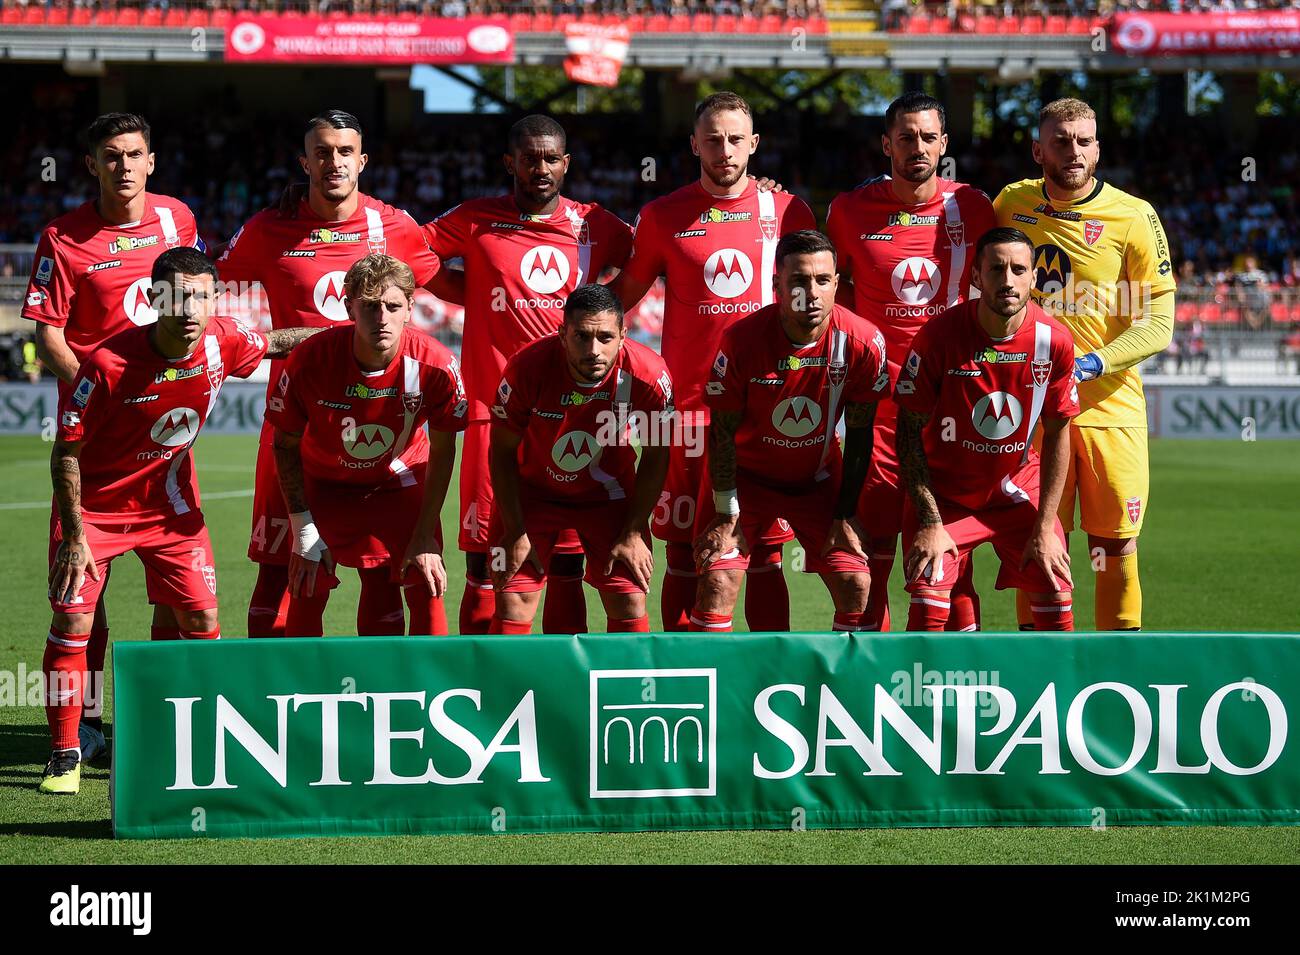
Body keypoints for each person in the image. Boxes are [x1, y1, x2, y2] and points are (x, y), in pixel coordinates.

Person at [40, 247, 316, 795]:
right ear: (151, 298)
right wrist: (74, 535)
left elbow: (280, 341)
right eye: (176, 296)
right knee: (74, 622)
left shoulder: (223, 340)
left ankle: (182, 734)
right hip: (93, 513)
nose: (190, 309)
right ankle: (65, 753)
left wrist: (343, 330)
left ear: (215, 300)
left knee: (200, 619)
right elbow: (65, 452)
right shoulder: (106, 365)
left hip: (170, 511)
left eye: (201, 297)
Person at [216, 109, 445, 638]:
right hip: (294, 429)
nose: (334, 161)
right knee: (280, 570)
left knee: (383, 572)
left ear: (362, 160)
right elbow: (204, 284)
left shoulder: (394, 227)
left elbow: (448, 284)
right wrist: (265, 344)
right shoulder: (268, 228)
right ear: (305, 161)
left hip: (386, 429)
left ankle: (381, 705)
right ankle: (268, 703)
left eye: (344, 152)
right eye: (322, 151)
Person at [22, 112, 204, 764]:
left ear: (150, 161)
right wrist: (102, 399)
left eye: (134, 154)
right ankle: (84, 726)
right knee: (83, 598)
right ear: (92, 164)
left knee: (175, 591)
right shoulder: (62, 237)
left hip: (160, 450)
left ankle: (164, 723)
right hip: (92, 446)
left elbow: (195, 302)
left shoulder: (177, 220)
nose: (124, 165)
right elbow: (48, 336)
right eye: (111, 156)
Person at [421, 114, 634, 635]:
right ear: (509, 162)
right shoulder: (475, 219)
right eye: (529, 157)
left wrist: (607, 315)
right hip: (492, 418)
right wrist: (466, 294)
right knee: (484, 563)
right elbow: (413, 251)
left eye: (551, 158)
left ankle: (562, 692)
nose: (541, 167)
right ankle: (483, 690)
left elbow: (649, 257)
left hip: (571, 417)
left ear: (567, 164)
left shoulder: (596, 225)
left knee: (564, 562)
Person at [613, 91, 818, 632]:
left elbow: (816, 303)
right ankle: (690, 676)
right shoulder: (662, 215)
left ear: (753, 144)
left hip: (766, 412)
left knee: (766, 554)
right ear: (694, 144)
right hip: (689, 413)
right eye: (712, 139)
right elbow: (622, 297)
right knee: (684, 551)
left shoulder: (789, 210)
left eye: (734, 139)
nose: (724, 150)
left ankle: (765, 675)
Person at [994, 98, 1176, 630]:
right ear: (1038, 149)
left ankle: (1117, 675)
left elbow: (1158, 322)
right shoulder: (1011, 203)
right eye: (1060, 140)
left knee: (1114, 549)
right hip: (1033, 417)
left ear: (1097, 148)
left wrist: (1092, 364)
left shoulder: (1134, 215)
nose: (1072, 150)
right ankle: (1042, 671)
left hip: (1110, 413)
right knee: (1039, 542)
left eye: (1083, 140)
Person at [825, 91, 996, 633]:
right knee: (871, 551)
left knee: (948, 556)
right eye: (905, 137)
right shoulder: (849, 211)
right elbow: (833, 290)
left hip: (953, 405)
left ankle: (957, 688)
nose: (917, 147)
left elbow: (998, 285)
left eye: (928, 137)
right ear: (886, 144)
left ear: (943, 143)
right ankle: (861, 683)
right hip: (880, 408)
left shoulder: (973, 207)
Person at [692, 230, 888, 632]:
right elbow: (722, 432)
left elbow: (861, 431)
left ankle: (845, 692)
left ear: (836, 284)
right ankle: (719, 690)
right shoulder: (742, 340)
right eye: (799, 280)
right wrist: (727, 511)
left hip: (818, 481)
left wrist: (846, 512)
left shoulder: (863, 342)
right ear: (777, 285)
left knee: (857, 584)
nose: (811, 292)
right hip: (746, 481)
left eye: (821, 280)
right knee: (718, 579)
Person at [267, 254, 467, 638]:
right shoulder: (311, 359)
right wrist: (303, 528)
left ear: (410, 308)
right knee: (307, 582)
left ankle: (434, 688)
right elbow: (284, 444)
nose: (381, 318)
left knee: (426, 581)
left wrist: (426, 533)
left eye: (392, 307)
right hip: (325, 484)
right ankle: (299, 694)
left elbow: (444, 451)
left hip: (398, 482)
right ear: (349, 308)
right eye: (370, 307)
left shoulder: (437, 366)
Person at [894, 228, 1078, 632]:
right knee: (930, 602)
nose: (1007, 280)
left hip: (1015, 490)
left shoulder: (1055, 342)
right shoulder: (939, 336)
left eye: (1018, 269)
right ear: (976, 277)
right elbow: (907, 432)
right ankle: (929, 694)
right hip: (944, 497)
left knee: (1055, 585)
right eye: (996, 269)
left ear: (1034, 278)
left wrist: (1045, 528)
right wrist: (929, 521)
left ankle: (1053, 693)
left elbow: (1059, 435)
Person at [487, 284, 672, 634]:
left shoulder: (650, 375)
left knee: (629, 597)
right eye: (581, 336)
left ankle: (627, 689)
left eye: (605, 337)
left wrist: (633, 530)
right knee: (514, 598)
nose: (593, 350)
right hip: (533, 495)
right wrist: (514, 529)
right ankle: (511, 690)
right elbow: (502, 451)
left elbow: (658, 453)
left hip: (610, 496)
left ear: (623, 335)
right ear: (562, 334)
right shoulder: (526, 368)